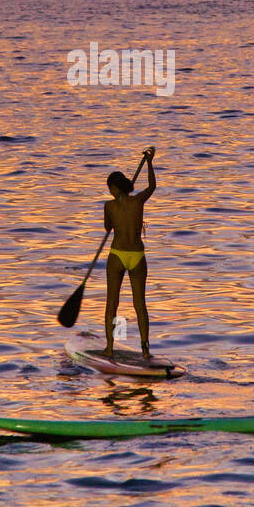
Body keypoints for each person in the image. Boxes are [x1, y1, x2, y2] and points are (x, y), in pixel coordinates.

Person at [103, 147, 156, 360]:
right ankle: (145, 351)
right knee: (140, 305)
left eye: (109, 187)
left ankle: (109, 348)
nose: (109, 191)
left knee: (112, 304)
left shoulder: (109, 206)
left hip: (117, 255)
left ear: (115, 188)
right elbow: (152, 186)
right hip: (137, 256)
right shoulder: (138, 201)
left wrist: (114, 220)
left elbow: (108, 228)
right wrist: (150, 163)